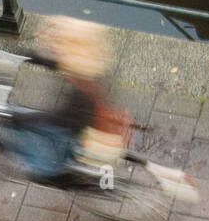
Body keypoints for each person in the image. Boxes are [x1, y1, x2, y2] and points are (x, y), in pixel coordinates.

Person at [12, 16, 126, 176]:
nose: (56, 48)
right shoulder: (87, 67)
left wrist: (22, 119)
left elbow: (60, 120)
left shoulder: (82, 92)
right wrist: (25, 56)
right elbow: (56, 62)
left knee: (32, 131)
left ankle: (47, 171)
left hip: (78, 133)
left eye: (62, 43)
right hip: (78, 122)